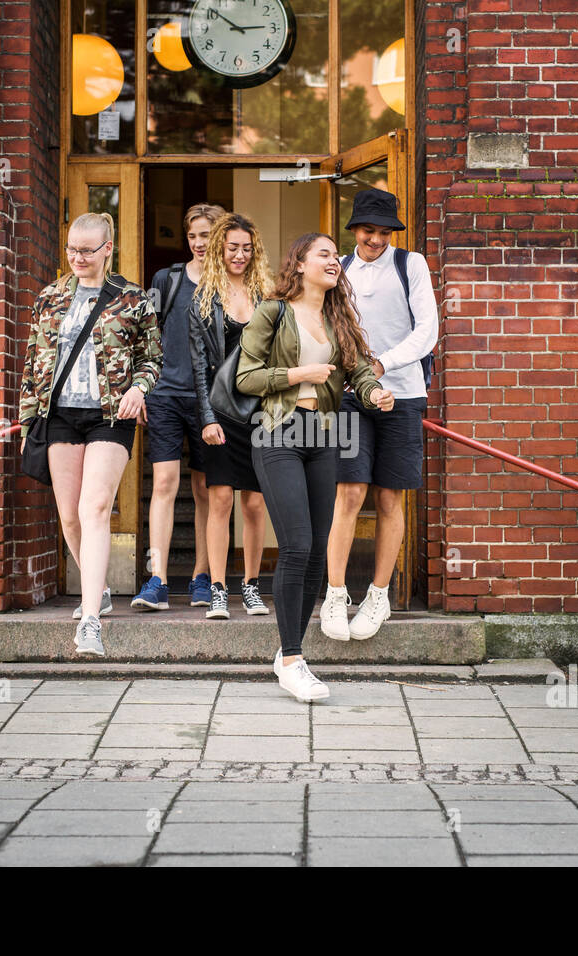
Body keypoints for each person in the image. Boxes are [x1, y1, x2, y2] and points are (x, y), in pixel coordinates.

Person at [237, 233, 394, 702]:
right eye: (324, 254)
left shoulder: (338, 316)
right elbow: (246, 376)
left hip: (324, 437)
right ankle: (292, 660)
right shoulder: (273, 311)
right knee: (297, 543)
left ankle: (291, 651)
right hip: (277, 432)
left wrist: (372, 393)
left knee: (314, 554)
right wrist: (299, 375)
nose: (334, 261)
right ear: (299, 263)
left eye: (335, 256)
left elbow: (361, 369)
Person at [18, 212, 161, 656]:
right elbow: (31, 364)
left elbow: (153, 357)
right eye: (71, 250)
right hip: (58, 414)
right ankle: (96, 589)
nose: (77, 258)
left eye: (86, 250)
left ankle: (91, 622)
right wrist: (28, 422)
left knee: (94, 507)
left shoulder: (132, 298)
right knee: (70, 517)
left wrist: (139, 388)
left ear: (107, 249)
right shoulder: (50, 297)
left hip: (110, 414)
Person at [321, 188, 438, 642]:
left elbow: (428, 330)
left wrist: (383, 365)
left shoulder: (411, 265)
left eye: (384, 231)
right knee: (349, 494)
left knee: (390, 499)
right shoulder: (341, 270)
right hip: (352, 399)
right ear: (354, 230)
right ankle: (335, 594)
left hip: (404, 398)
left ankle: (378, 595)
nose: (376, 239)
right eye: (368, 230)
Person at [131, 203, 224, 613]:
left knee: (206, 489)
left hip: (212, 402)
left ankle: (203, 577)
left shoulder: (232, 283)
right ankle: (159, 580)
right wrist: (142, 388)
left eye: (207, 235)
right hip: (165, 395)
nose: (200, 243)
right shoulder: (165, 279)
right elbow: (146, 335)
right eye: (193, 236)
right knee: (165, 484)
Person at [188, 213, 273, 620]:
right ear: (220, 248)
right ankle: (219, 588)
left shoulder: (268, 296)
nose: (239, 254)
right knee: (220, 499)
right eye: (232, 246)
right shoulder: (203, 299)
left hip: (261, 415)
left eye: (246, 247)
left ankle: (251, 585)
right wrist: (206, 418)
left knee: (254, 504)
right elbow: (199, 366)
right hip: (221, 414)